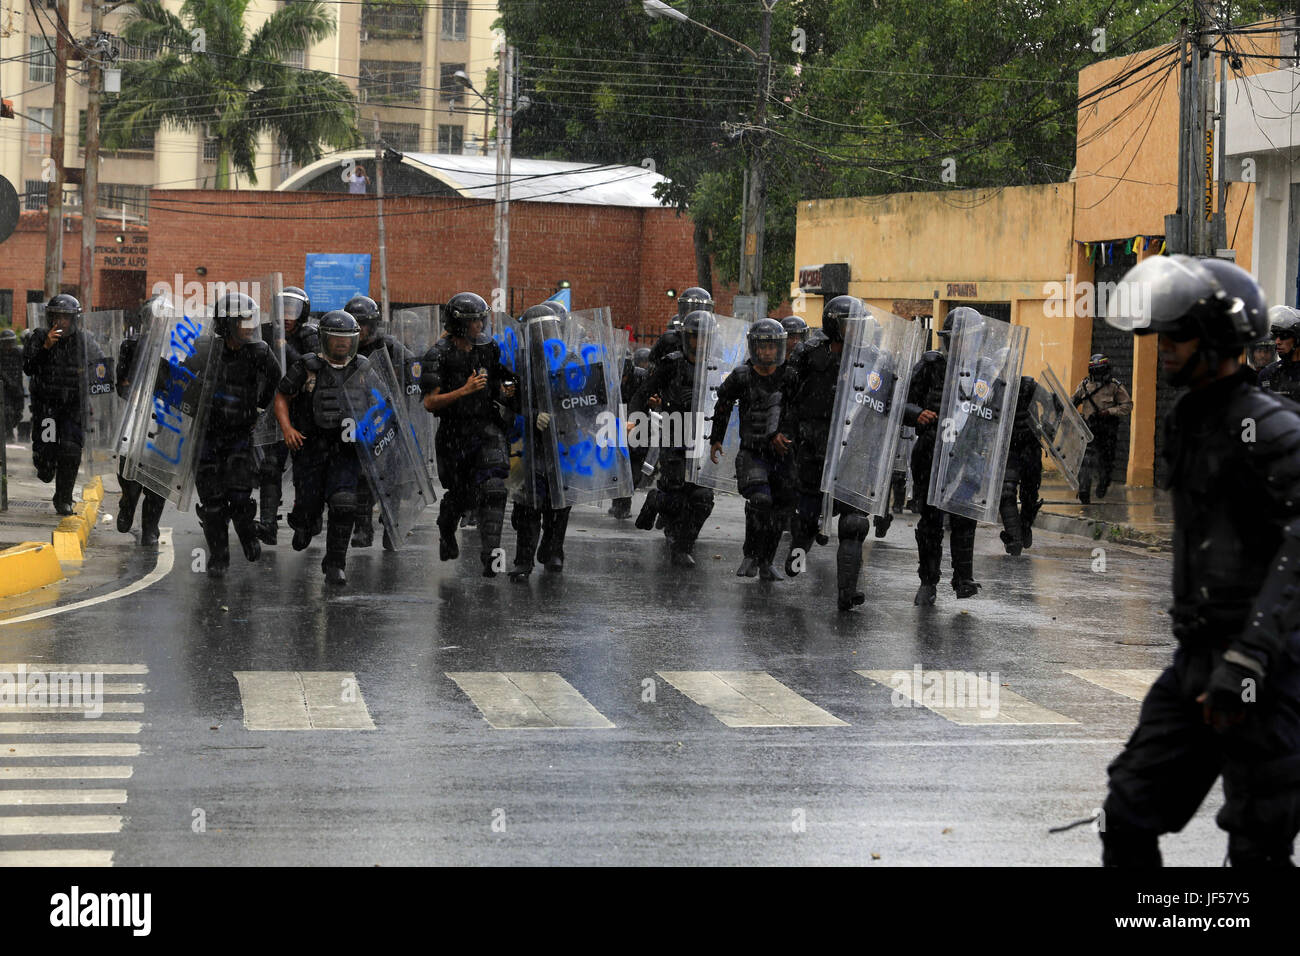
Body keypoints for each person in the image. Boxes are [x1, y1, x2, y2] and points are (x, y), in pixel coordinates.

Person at [1099, 254, 1300, 868]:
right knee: (1127, 808)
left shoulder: (1272, 429)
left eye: (1178, 335)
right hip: (1198, 658)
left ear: (1218, 339)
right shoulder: (1189, 420)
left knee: (1258, 845)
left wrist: (1250, 655)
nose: (1163, 348)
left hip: (1271, 667)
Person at [420, 292, 516, 576]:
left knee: (494, 488)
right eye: (475, 321)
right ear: (460, 324)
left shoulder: (487, 348)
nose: (480, 325)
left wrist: (505, 388)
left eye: (482, 319)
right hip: (454, 434)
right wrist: (464, 390)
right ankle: (446, 530)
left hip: (486, 427)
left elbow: (499, 376)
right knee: (462, 496)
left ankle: (491, 557)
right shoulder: (438, 355)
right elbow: (429, 402)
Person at [189, 292, 281, 578]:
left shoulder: (260, 351)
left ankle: (247, 534)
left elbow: (279, 384)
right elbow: (183, 383)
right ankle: (219, 557)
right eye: (243, 321)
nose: (250, 326)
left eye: (251, 320)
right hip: (207, 436)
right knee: (214, 503)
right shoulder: (204, 349)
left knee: (240, 496)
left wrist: (259, 408)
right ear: (227, 323)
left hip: (241, 435)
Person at [274, 310, 366, 585]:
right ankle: (303, 522)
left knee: (344, 504)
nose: (342, 344)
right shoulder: (308, 366)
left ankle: (336, 563)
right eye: (336, 338)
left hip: (346, 450)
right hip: (310, 449)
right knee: (309, 503)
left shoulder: (362, 368)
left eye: (347, 339)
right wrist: (287, 429)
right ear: (325, 339)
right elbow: (281, 396)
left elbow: (380, 403)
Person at [904, 308, 982, 605]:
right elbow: (903, 402)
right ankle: (928, 582)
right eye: (958, 339)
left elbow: (996, 415)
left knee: (964, 518)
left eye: (969, 339)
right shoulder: (931, 365)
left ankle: (963, 579)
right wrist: (917, 414)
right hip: (931, 453)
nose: (963, 345)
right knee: (931, 521)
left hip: (966, 455)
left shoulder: (984, 371)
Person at [709, 318, 796, 581]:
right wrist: (716, 438)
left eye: (772, 347)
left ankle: (766, 561)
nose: (767, 352)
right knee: (760, 501)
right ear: (754, 348)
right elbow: (722, 405)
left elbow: (799, 410)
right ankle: (750, 554)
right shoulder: (742, 375)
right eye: (762, 347)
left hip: (782, 455)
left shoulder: (790, 375)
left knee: (781, 510)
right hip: (752, 451)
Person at [629, 309, 716, 568]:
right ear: (685, 338)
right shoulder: (672, 363)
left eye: (704, 338)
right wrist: (634, 419)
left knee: (702, 498)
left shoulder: (715, 365)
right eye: (694, 338)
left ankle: (682, 547)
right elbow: (643, 392)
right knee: (677, 491)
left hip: (701, 438)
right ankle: (656, 500)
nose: (699, 344)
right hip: (673, 435)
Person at [784, 296, 856, 578]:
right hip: (812, 440)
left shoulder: (865, 355)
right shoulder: (808, 351)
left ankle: (848, 592)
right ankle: (798, 556)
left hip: (849, 441)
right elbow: (788, 396)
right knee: (808, 516)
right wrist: (787, 433)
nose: (853, 330)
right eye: (847, 324)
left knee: (854, 522)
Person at [508, 303, 575, 578]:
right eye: (538, 330)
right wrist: (532, 415)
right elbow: (506, 404)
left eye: (548, 329)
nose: (543, 335)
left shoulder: (570, 360)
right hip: (529, 444)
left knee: (560, 501)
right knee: (527, 502)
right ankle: (523, 560)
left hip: (563, 442)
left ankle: (553, 549)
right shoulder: (517, 363)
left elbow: (583, 402)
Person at [22, 294, 104, 514]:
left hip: (74, 407)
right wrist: (46, 348)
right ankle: (44, 464)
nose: (62, 322)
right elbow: (28, 368)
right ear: (51, 318)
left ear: (74, 320)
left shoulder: (85, 340)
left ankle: (64, 499)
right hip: (47, 406)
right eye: (58, 317)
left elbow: (101, 367)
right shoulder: (39, 337)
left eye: (66, 318)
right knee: (46, 462)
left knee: (70, 451)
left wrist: (102, 380)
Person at [344, 294, 413, 550]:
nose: (360, 330)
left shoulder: (390, 346)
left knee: (391, 476)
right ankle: (362, 527)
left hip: (390, 419)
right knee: (363, 476)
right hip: (359, 421)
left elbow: (414, 370)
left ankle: (392, 525)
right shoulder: (343, 345)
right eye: (355, 323)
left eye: (363, 324)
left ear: (372, 325)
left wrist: (400, 376)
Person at [256, 285, 319, 545]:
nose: (286, 317)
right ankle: (268, 524)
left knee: (305, 471)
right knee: (270, 466)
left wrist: (284, 347)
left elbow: (313, 365)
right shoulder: (265, 332)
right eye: (283, 310)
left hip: (304, 413)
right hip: (274, 409)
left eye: (292, 311)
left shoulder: (311, 335)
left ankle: (304, 522)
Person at [114, 297, 166, 546]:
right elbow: (121, 384)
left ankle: (150, 527)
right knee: (129, 472)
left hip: (166, 421)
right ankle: (127, 501)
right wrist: (135, 394)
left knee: (159, 478)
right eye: (154, 317)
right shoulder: (131, 346)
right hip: (136, 418)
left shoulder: (177, 348)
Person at [1072, 354, 1132, 503]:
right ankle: (1084, 490)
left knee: (1106, 462)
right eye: (1095, 371)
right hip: (1089, 429)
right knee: (1086, 460)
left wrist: (1109, 412)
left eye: (1100, 370)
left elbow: (1127, 406)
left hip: (1107, 430)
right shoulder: (1085, 385)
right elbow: (1072, 401)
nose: (1098, 374)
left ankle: (1104, 483)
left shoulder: (1114, 386)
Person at [999, 375, 1045, 555]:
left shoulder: (1029, 385)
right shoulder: (993, 386)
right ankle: (1014, 538)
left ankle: (1025, 526)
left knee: (1029, 493)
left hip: (1030, 447)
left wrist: (1048, 427)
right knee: (1006, 491)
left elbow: (1051, 404)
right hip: (1007, 448)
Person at [609, 344, 651, 520]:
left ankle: (624, 499)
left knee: (634, 470)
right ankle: (620, 503)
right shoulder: (610, 379)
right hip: (617, 425)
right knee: (617, 467)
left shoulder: (642, 377)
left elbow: (651, 395)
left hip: (638, 426)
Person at [1258, 305, 1300, 402]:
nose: (1277, 342)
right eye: (1275, 336)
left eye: (1283, 336)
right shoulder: (1267, 374)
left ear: (1297, 339)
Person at [1, 328, 23, 442]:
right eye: (6, 342)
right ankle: (9, 434)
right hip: (5, 389)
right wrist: (8, 381)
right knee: (7, 411)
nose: (8, 345)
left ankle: (12, 429)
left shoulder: (18, 353)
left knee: (19, 413)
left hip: (18, 388)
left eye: (10, 342)